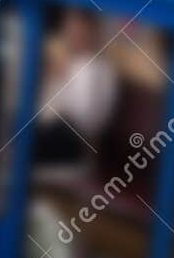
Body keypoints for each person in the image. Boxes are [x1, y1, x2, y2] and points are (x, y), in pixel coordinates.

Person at [35, 9, 117, 166]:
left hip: (73, 143)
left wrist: (61, 77)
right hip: (55, 134)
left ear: (91, 31)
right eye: (68, 27)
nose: (70, 34)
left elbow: (83, 119)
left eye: (76, 28)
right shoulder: (71, 63)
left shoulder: (92, 67)